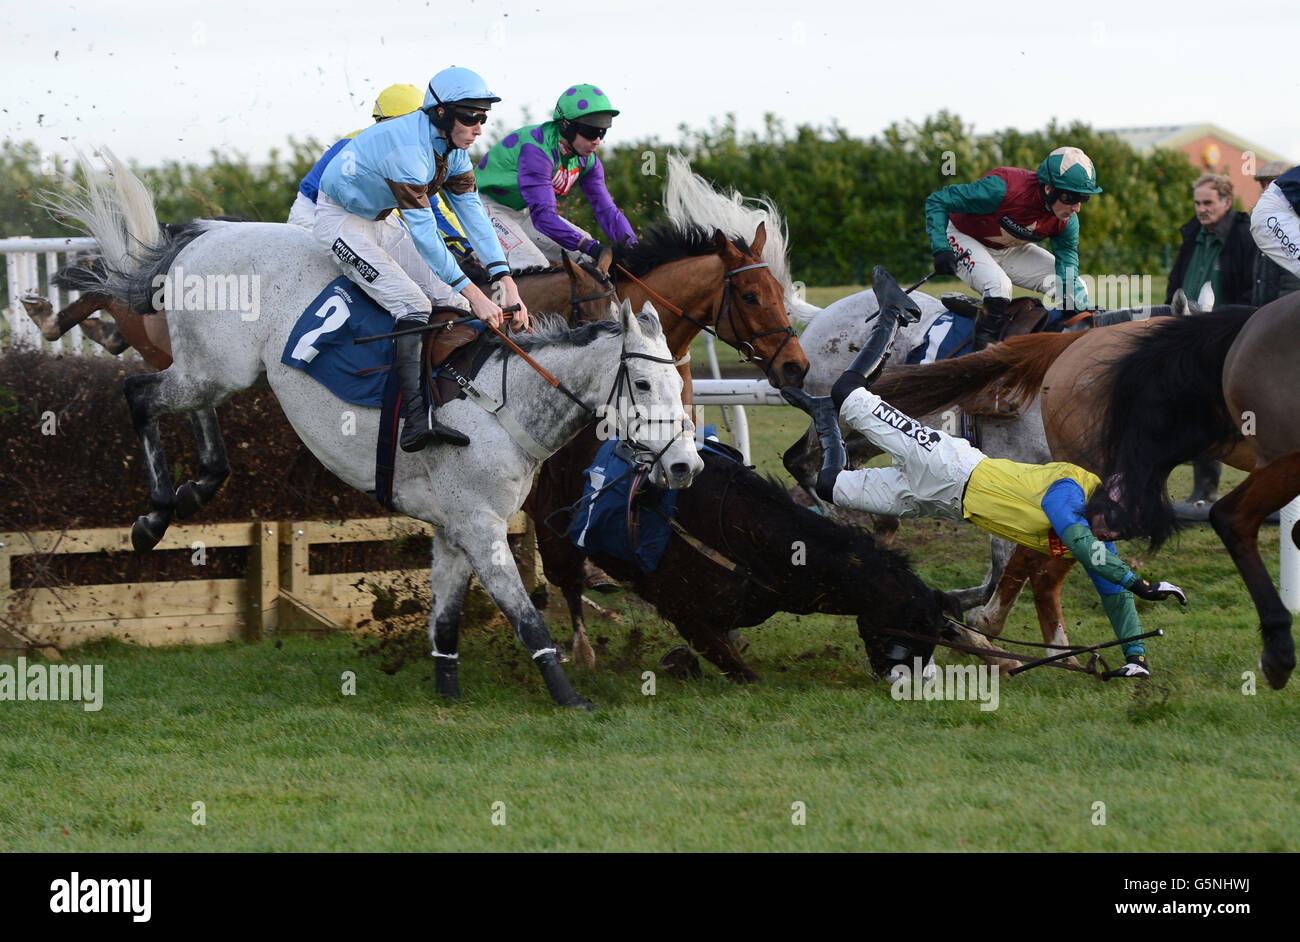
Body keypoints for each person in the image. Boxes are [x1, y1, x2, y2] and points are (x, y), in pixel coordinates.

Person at [781, 273, 1187, 678]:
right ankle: (891, 317)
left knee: (829, 485)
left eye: (1117, 536)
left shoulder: (1093, 531)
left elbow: (1112, 591)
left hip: (935, 500)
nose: (1108, 537)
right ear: (1107, 500)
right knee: (848, 393)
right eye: (1112, 527)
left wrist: (1137, 657)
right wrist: (1143, 585)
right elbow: (1082, 542)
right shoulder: (1072, 488)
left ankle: (823, 416)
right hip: (943, 461)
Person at [315, 66, 529, 452]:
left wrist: (505, 281)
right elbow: (427, 236)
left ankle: (448, 400)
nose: (479, 127)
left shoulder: (453, 150)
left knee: (456, 302)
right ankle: (414, 420)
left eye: (483, 117)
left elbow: (473, 216)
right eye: (470, 117)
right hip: (340, 221)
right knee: (413, 303)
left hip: (378, 218)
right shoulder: (409, 152)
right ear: (441, 114)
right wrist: (479, 295)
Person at [925, 146, 1101, 350]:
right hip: (962, 236)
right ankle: (980, 351)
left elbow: (1067, 262)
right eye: (1070, 198)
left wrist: (1078, 306)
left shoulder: (1068, 221)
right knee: (999, 287)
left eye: (1083, 198)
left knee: (1075, 289)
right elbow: (938, 200)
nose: (1077, 207)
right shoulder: (1001, 189)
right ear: (1048, 189)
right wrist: (940, 247)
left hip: (1007, 248)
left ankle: (1055, 346)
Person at [1166, 173, 1258, 504]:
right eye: (1197, 202)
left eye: (1208, 202)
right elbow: (1176, 279)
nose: (1201, 209)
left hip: (1226, 334)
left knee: (1213, 405)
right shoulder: (1192, 234)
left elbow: (1250, 288)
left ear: (1226, 202)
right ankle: (1199, 487)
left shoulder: (1245, 237)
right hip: (1185, 330)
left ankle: (1217, 485)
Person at [475, 84, 636, 269]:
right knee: (534, 264)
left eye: (602, 131)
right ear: (566, 126)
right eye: (591, 131)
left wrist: (632, 247)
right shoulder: (537, 151)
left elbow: (606, 210)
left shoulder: (588, 160)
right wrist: (590, 247)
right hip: (486, 208)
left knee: (591, 260)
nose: (597, 140)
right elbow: (544, 217)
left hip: (524, 213)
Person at [287, 84, 425, 228]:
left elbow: (431, 203)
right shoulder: (356, 145)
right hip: (313, 213)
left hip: (346, 215)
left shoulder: (405, 155)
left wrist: (450, 236)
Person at [1250, 162, 1300, 299]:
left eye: (1271, 182)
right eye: (1263, 184)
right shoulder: (1264, 224)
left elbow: (1291, 287)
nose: (1267, 188)